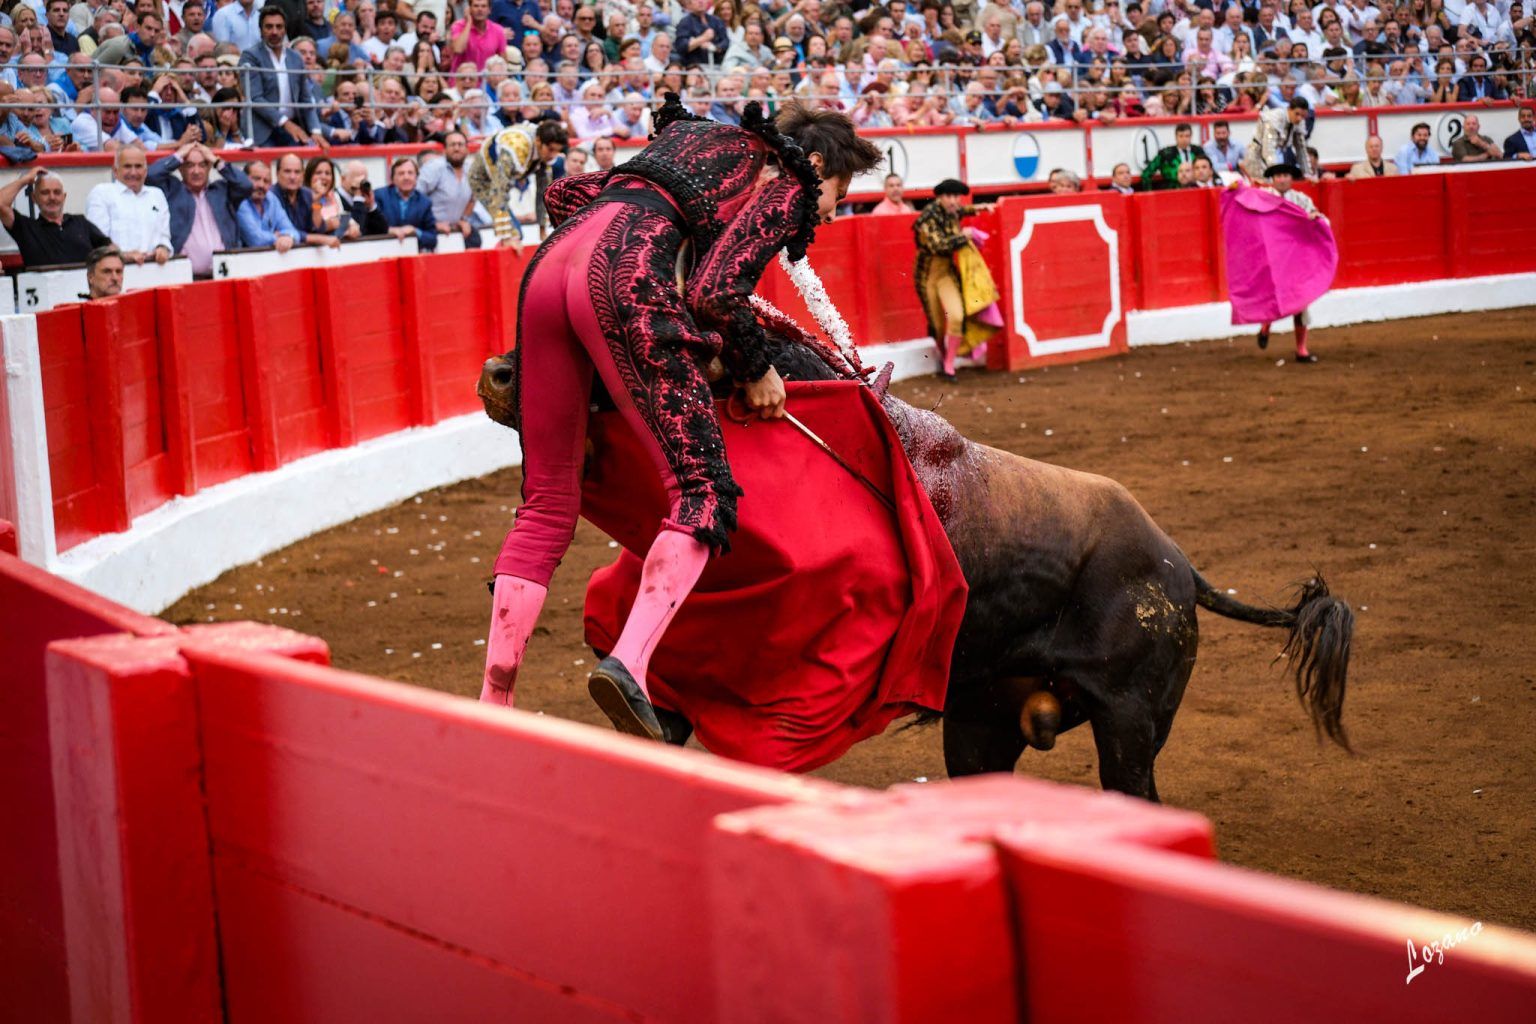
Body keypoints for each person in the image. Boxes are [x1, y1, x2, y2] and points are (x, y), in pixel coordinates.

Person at [480, 97, 882, 740]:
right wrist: (755, 367)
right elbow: (716, 292)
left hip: (551, 268)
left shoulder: (697, 143)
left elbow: (563, 194)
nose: (831, 210)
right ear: (814, 166)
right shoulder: (786, 180)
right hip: (627, 281)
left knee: (547, 501)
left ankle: (492, 701)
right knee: (701, 491)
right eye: (838, 191)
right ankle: (631, 666)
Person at [913, 178, 1001, 382]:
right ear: (940, 198)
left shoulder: (952, 210)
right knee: (937, 325)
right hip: (926, 277)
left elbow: (961, 211)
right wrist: (966, 234)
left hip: (946, 274)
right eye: (949, 196)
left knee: (956, 316)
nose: (953, 201)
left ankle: (949, 365)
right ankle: (944, 357)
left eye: (956, 196)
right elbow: (938, 245)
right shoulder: (928, 218)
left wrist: (979, 208)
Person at [1251, 163, 1326, 364]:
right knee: (1274, 298)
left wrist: (1314, 217)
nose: (1282, 179)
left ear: (1291, 178)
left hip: (1295, 260)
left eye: (1285, 175)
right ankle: (1266, 325)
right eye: (1278, 176)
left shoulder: (1301, 200)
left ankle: (1301, 349)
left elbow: (1318, 218)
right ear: (1273, 179)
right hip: (1271, 259)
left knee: (1300, 302)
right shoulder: (1262, 197)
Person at [146, 140, 254, 277]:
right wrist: (178, 155)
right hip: (184, 276)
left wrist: (215, 160)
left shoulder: (221, 191)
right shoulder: (172, 190)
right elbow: (150, 176)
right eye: (190, 165)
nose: (196, 171)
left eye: (202, 165)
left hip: (225, 274)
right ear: (181, 169)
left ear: (209, 168)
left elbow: (246, 185)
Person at [469, 120, 568, 247]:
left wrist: (543, 231)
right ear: (538, 141)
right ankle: (503, 246)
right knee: (514, 234)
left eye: (557, 151)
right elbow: (499, 190)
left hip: (502, 175)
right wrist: (506, 236)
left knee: (515, 234)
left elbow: (544, 191)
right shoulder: (514, 149)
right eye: (550, 150)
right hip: (482, 179)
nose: (553, 155)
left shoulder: (543, 147)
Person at [239, 7, 327, 149]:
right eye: (269, 27)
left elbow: (305, 99)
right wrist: (285, 123)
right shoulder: (250, 56)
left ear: (285, 30)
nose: (274, 31)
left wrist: (316, 131)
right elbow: (254, 98)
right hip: (262, 132)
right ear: (261, 30)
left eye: (279, 27)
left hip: (293, 128)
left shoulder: (295, 58)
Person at [0, 167, 113, 268]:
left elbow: (110, 249)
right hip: (43, 285)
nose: (52, 197)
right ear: (34, 198)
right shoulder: (26, 228)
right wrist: (25, 180)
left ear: (64, 197)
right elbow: (1, 204)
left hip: (85, 284)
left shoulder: (80, 222)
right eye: (45, 192)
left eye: (57, 192)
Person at [85, 143, 173, 265]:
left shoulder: (157, 195)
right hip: (116, 269)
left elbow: (164, 236)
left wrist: (163, 248)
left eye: (138, 166)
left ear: (145, 171)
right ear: (115, 171)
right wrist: (123, 255)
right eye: (127, 166)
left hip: (154, 269)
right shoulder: (102, 193)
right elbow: (98, 241)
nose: (133, 172)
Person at [419, 129, 480, 248]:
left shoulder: (471, 171)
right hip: (429, 233)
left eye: (460, 145)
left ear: (467, 150)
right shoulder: (434, 168)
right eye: (452, 145)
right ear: (444, 150)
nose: (456, 148)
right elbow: (415, 198)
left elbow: (473, 199)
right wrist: (433, 224)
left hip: (454, 232)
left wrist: (463, 219)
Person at [235, 159, 300, 250]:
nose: (261, 185)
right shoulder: (240, 200)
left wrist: (289, 238)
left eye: (266, 181)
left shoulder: (272, 199)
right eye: (256, 179)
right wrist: (277, 237)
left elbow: (294, 233)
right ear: (244, 179)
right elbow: (255, 240)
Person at [376, 155, 438, 251]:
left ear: (416, 177)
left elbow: (432, 238)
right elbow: (369, 228)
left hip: (412, 255)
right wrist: (389, 230)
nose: (406, 177)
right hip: (383, 252)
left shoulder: (424, 202)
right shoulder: (379, 196)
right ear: (392, 178)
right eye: (401, 173)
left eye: (410, 173)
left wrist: (415, 231)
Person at [1243, 97, 1312, 181]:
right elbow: (1268, 148)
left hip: (1275, 155)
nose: (1299, 118)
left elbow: (1301, 149)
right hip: (1256, 156)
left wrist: (1307, 173)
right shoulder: (1275, 118)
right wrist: (1275, 171)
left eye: (1303, 116)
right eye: (1297, 114)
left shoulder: (1299, 122)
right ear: (1289, 109)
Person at [305, 155, 362, 240]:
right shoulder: (303, 197)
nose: (323, 177)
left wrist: (352, 225)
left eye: (327, 173)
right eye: (318, 173)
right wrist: (326, 226)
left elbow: (342, 217)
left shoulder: (334, 195)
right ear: (309, 176)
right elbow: (313, 228)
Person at [1141, 122, 1208, 190]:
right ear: (1176, 137)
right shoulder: (1166, 154)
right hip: (1172, 190)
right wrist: (1149, 193)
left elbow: (1208, 170)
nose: (1184, 139)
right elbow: (1147, 174)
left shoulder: (1198, 151)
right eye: (1181, 136)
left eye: (1187, 136)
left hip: (1196, 189)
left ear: (1191, 137)